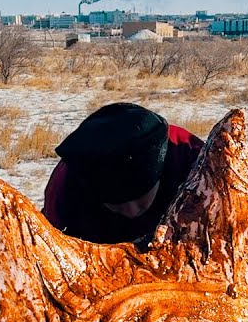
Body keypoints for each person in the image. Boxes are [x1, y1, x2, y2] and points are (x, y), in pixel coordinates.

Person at [43, 102, 204, 244]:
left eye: (140, 199)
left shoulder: (193, 159)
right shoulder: (64, 190)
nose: (132, 212)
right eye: (116, 205)